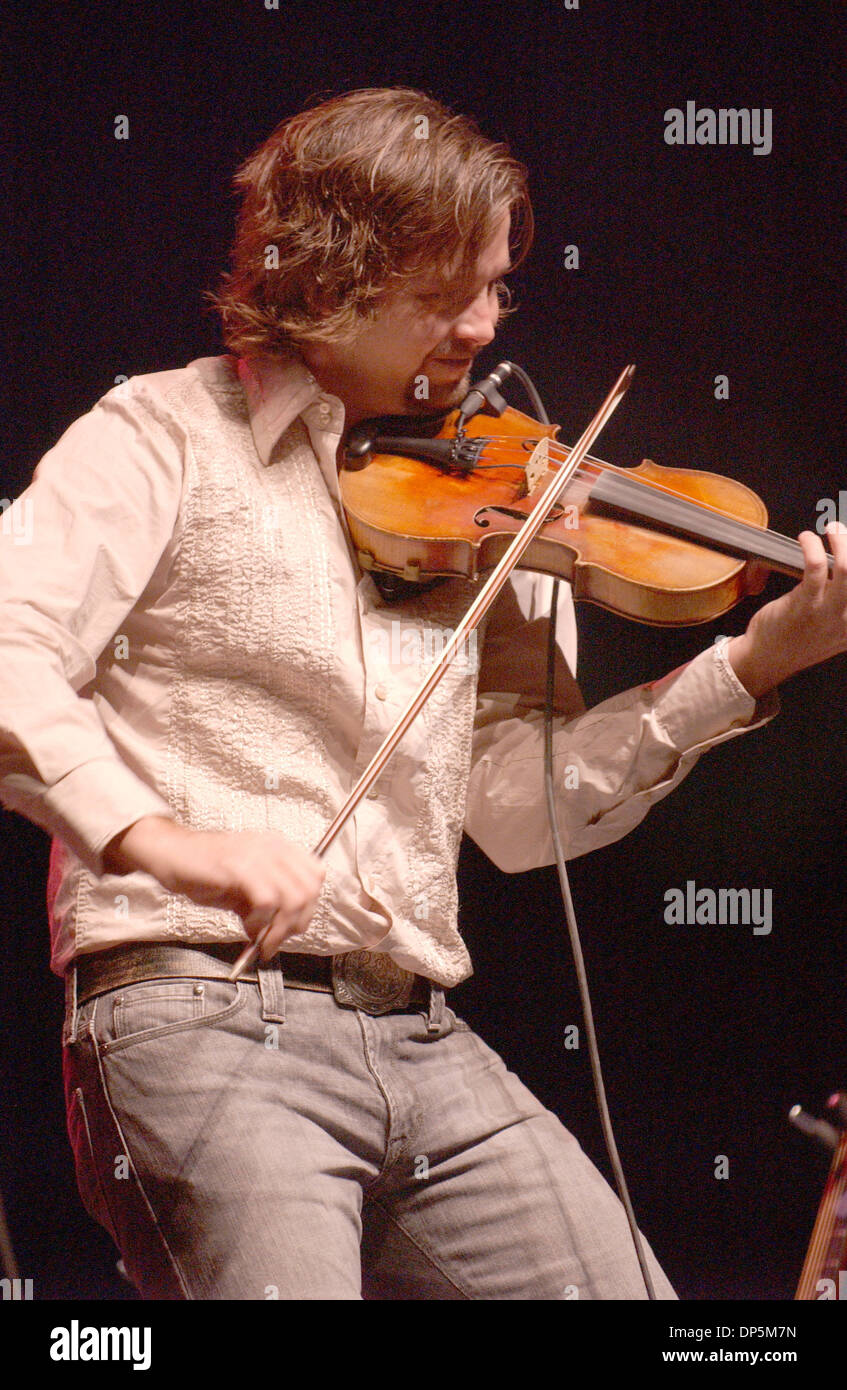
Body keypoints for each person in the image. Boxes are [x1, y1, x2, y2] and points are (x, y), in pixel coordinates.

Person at [1, 87, 845, 1302]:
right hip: (200, 1014)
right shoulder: (163, 435)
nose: (482, 326)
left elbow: (511, 808)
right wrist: (166, 842)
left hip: (422, 1032)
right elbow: (8, 644)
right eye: (446, 292)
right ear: (332, 278)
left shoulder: (491, 501)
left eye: (497, 286)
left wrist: (749, 666)